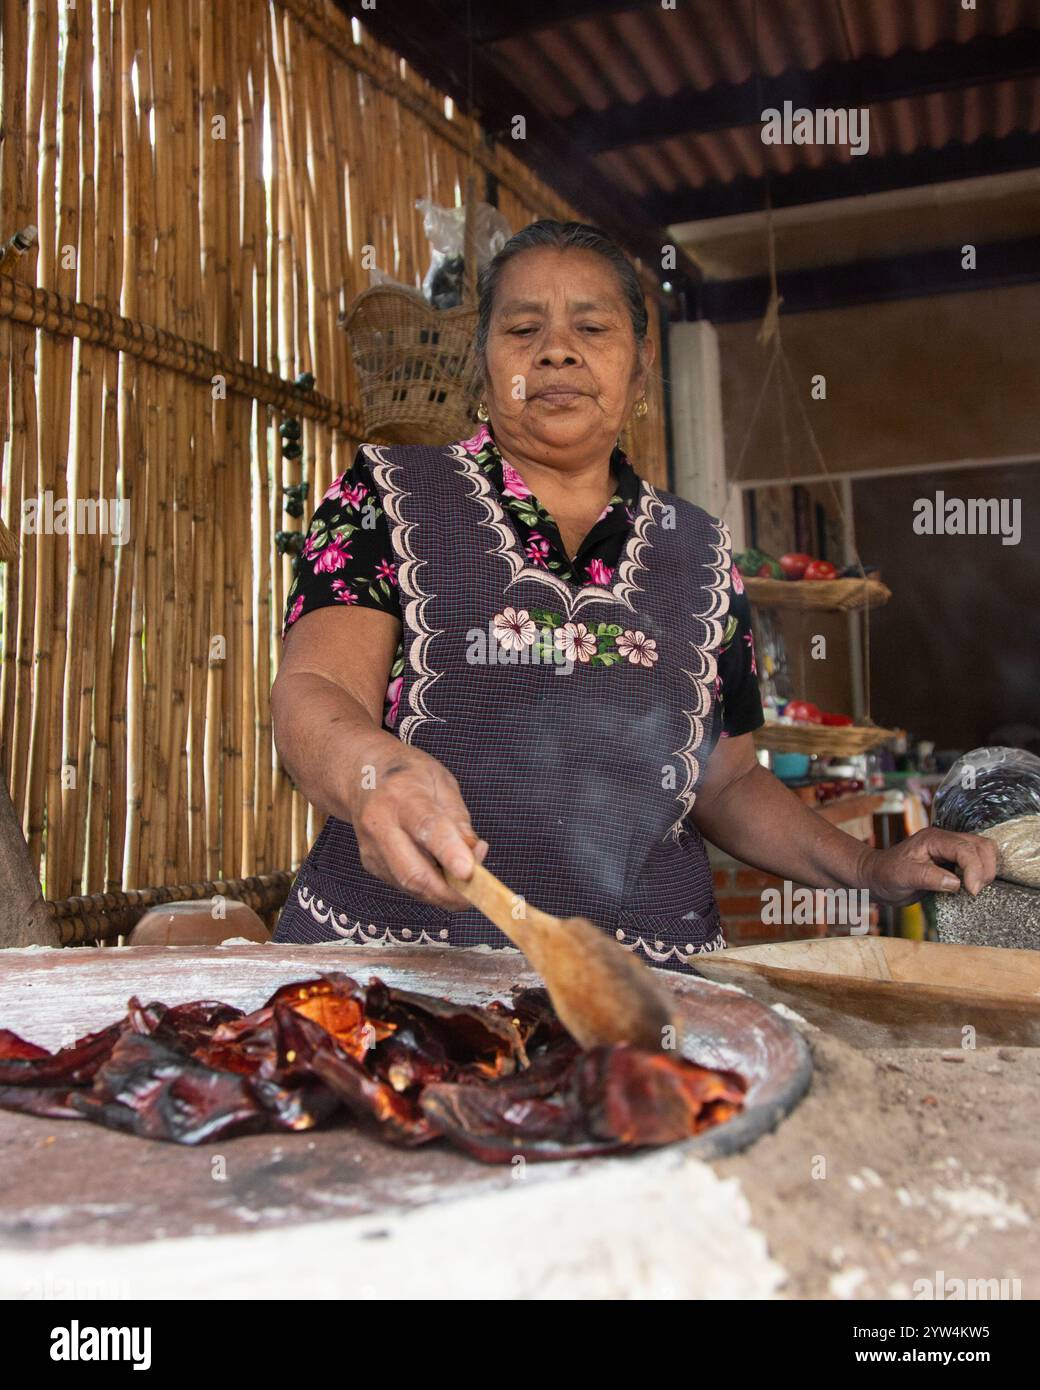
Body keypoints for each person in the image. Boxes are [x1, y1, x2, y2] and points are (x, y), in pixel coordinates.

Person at [270, 219, 996, 967]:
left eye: (592, 326)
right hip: (399, 975)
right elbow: (314, 688)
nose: (557, 349)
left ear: (641, 370)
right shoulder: (388, 496)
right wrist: (375, 773)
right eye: (523, 328)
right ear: (482, 368)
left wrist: (869, 868)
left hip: (647, 991)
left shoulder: (703, 554)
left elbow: (729, 782)